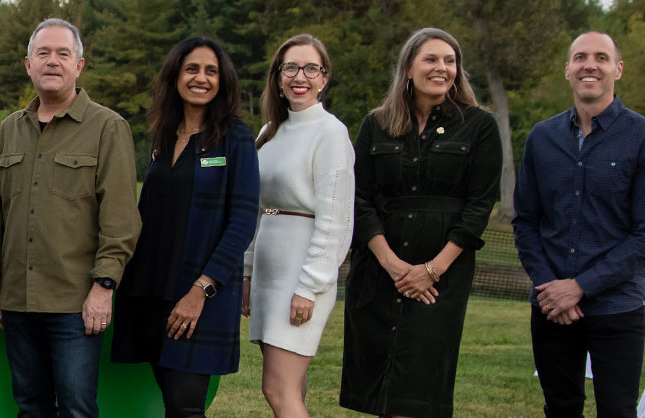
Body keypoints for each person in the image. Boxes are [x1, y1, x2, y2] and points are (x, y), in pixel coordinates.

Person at [0, 18, 141, 418]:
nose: (53, 62)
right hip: (16, 301)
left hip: (76, 302)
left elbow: (120, 220)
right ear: (28, 64)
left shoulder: (108, 128)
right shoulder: (7, 132)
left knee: (75, 408)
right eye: (43, 53)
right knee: (30, 407)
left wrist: (104, 287)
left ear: (79, 65)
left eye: (63, 54)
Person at [339, 28, 502, 418]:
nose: (441, 68)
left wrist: (432, 270)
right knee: (382, 394)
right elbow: (358, 200)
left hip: (440, 281)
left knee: (417, 395)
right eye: (431, 59)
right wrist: (394, 266)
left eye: (450, 61)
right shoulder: (376, 125)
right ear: (408, 68)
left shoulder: (479, 127)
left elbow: (479, 208)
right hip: (379, 276)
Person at [514, 31, 645, 418]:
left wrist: (579, 287)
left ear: (618, 68)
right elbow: (526, 223)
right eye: (580, 57)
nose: (589, 65)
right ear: (568, 69)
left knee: (617, 410)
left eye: (600, 57)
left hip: (616, 307)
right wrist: (552, 288)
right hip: (550, 306)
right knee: (560, 409)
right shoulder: (542, 138)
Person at [112, 36, 258, 418]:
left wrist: (201, 289)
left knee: (185, 405)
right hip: (150, 291)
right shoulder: (162, 134)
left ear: (223, 81)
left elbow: (242, 222)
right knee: (170, 399)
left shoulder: (236, 138)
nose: (201, 78)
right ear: (175, 76)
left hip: (199, 294)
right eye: (192, 68)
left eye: (211, 71)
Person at [243, 34, 354, 418]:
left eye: (311, 68)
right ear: (278, 76)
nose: (300, 76)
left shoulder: (330, 133)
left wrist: (310, 285)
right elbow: (258, 210)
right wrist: (246, 272)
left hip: (301, 276)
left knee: (277, 389)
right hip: (267, 274)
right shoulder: (268, 133)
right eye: (290, 67)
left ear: (324, 78)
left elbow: (335, 220)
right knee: (291, 388)